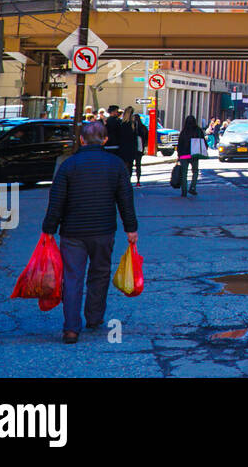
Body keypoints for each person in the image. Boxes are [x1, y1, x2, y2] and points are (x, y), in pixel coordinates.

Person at [40, 119, 138, 344]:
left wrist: (49, 229)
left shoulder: (68, 165)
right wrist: (130, 228)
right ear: (105, 139)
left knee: (72, 277)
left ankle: (71, 329)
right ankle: (94, 317)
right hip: (104, 230)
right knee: (100, 273)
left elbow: (57, 201)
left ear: (81, 140)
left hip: (73, 231)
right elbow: (125, 199)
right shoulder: (116, 165)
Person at [176, 115, 207, 197]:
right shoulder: (198, 130)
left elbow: (179, 144)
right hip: (194, 154)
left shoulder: (184, 131)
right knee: (195, 171)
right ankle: (192, 187)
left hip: (184, 155)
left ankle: (184, 191)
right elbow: (203, 141)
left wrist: (178, 155)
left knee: (184, 173)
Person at [120, 106, 148, 186]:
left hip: (124, 147)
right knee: (135, 165)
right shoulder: (134, 125)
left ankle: (125, 181)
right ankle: (136, 180)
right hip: (134, 147)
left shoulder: (122, 124)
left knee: (127, 165)